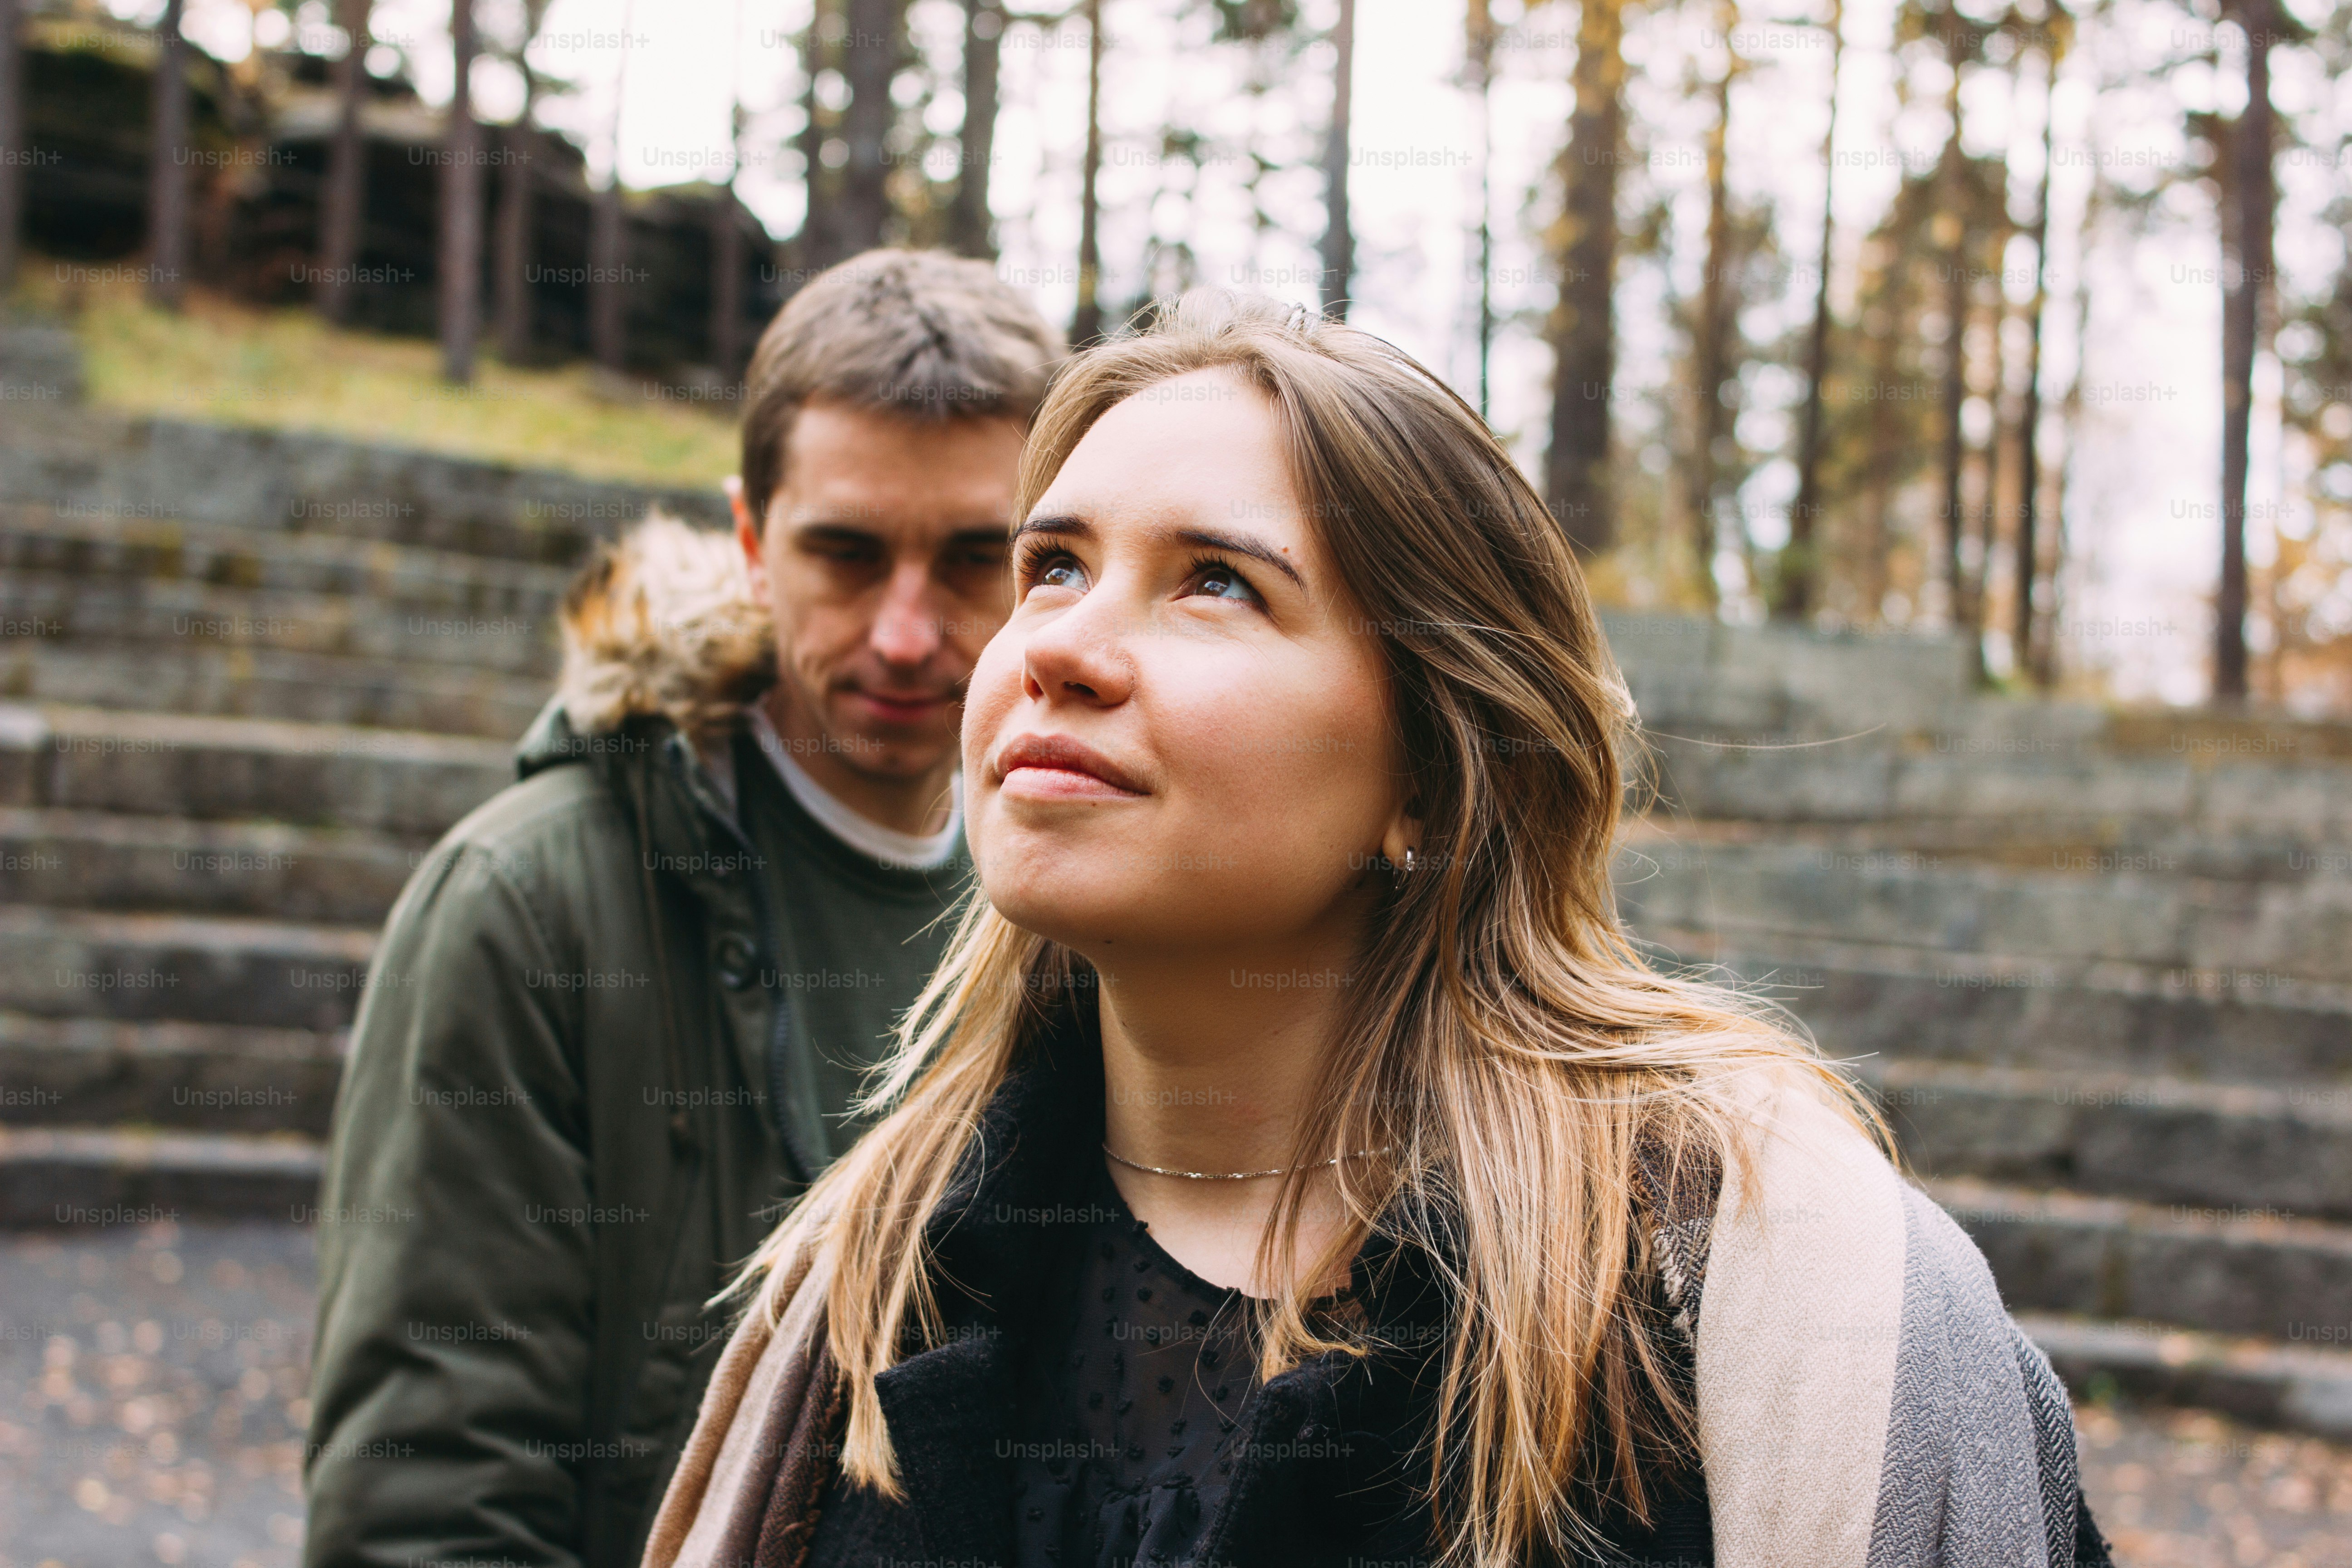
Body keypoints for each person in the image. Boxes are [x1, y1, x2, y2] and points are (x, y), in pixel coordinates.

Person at [642, 291, 2115, 1568]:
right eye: (1053, 566)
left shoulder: (1783, 1314)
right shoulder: (873, 1274)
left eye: (1215, 581)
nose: (1058, 650)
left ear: (1431, 772)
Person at [302, 250, 1065, 1568]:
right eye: (845, 552)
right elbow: (427, 1502)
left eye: (968, 561)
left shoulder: (1088, 908)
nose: (902, 631)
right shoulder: (532, 907)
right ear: (755, 539)